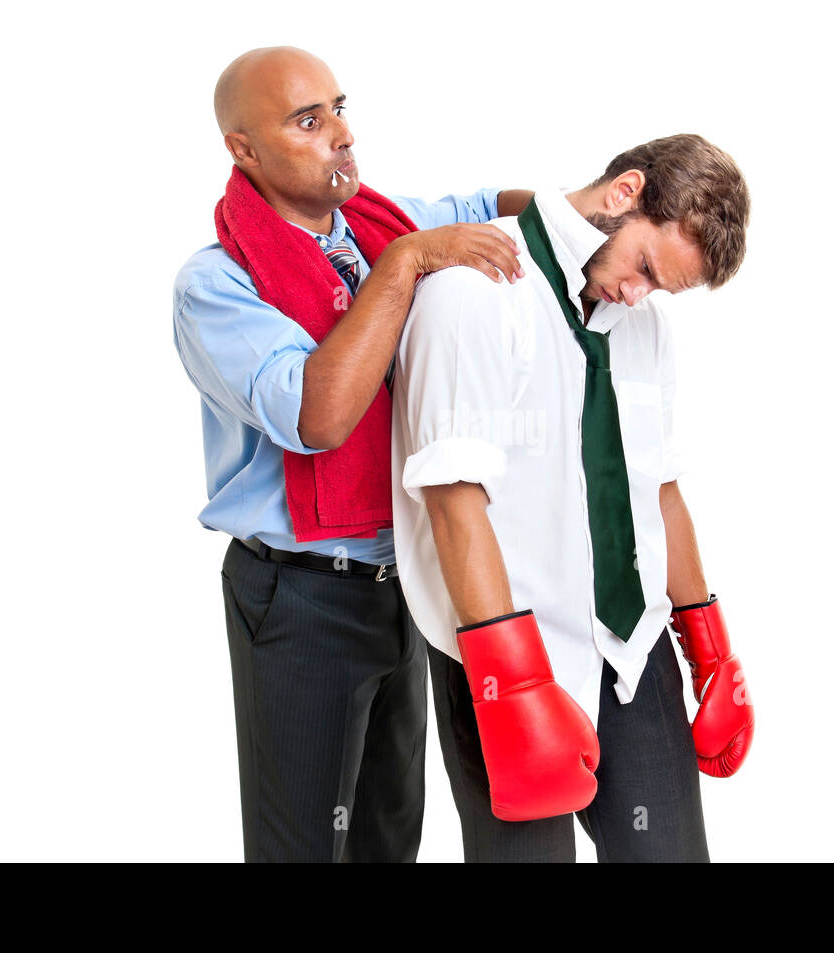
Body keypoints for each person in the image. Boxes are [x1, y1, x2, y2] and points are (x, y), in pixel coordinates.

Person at [172, 45, 530, 862]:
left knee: (386, 836)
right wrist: (405, 265)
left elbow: (482, 204)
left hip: (400, 579)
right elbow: (319, 413)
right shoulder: (216, 285)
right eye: (308, 120)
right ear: (244, 148)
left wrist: (594, 213)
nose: (340, 133)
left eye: (338, 107)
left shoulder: (380, 222)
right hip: (298, 599)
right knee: (302, 846)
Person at [391, 134, 756, 862]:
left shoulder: (643, 325)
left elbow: (660, 491)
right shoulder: (475, 286)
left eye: (660, 288)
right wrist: (516, 683)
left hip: (630, 646)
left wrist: (708, 647)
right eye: (644, 267)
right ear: (623, 194)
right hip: (504, 651)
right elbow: (453, 502)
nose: (636, 294)